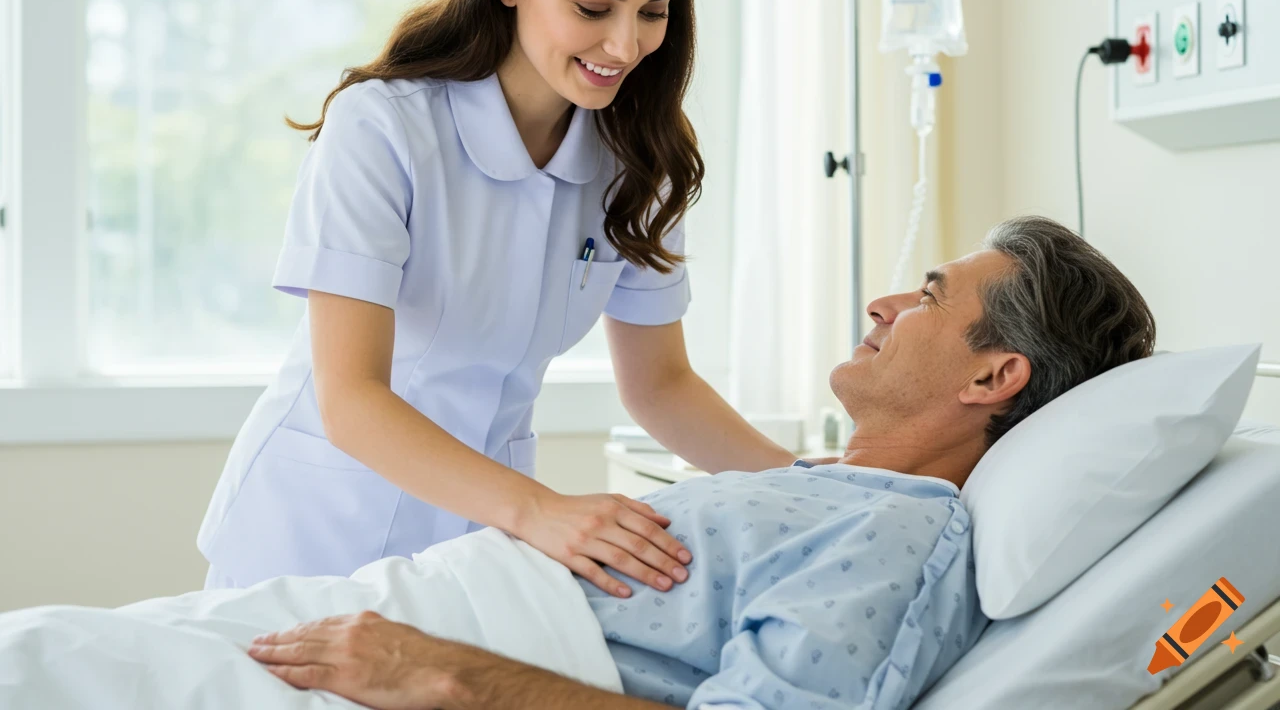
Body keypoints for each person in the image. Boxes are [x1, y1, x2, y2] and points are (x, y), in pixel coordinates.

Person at [198, 0, 799, 598]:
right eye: (592, 6)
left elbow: (662, 387)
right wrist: (545, 514)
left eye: (655, 11)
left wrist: (818, 487)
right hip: (315, 531)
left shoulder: (638, 158)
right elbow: (351, 399)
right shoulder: (384, 128)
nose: (625, 44)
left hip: (474, 545)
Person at [244, 216, 1158, 709]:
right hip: (361, 619)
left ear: (997, 375)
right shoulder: (830, 495)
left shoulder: (900, 537)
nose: (882, 303)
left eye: (926, 297)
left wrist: (453, 680)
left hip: (401, 662)